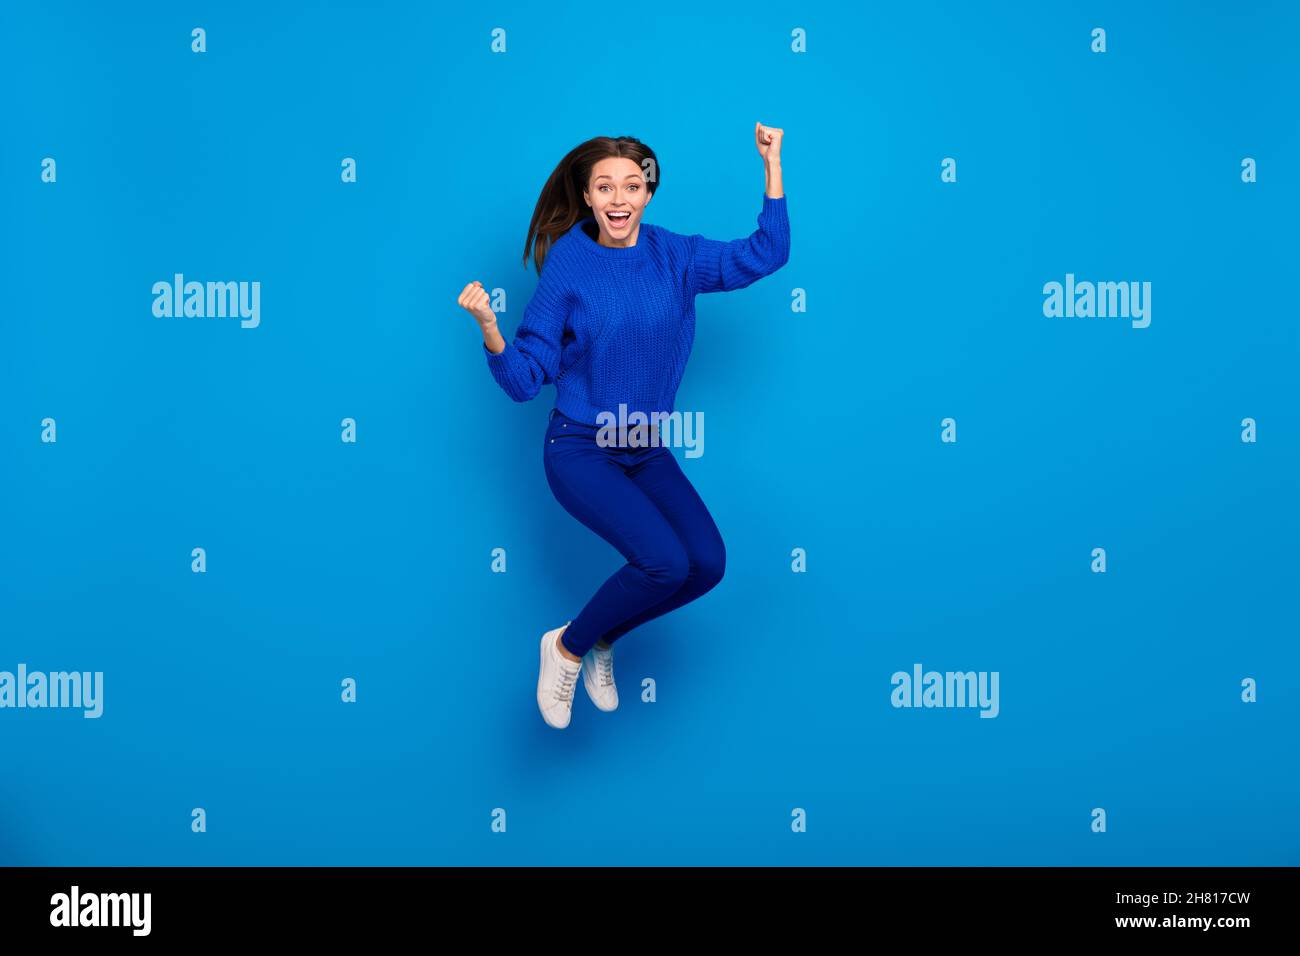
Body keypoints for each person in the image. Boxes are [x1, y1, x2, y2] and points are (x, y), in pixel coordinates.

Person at [457, 123, 790, 729]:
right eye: (604, 187)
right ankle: (565, 648)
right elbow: (524, 380)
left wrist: (772, 163)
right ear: (586, 197)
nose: (618, 200)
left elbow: (765, 254)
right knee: (662, 562)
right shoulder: (570, 265)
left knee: (706, 563)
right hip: (580, 448)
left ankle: (603, 638)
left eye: (632, 187)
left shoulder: (677, 257)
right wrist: (489, 328)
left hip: (641, 448)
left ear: (648, 193)